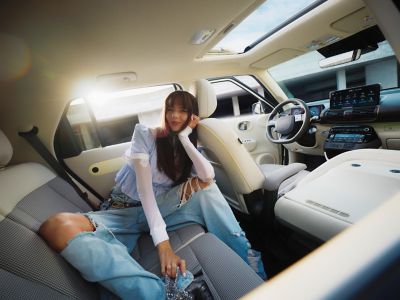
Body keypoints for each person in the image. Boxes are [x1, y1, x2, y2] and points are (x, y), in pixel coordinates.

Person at [39, 90, 266, 300]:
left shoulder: (187, 145)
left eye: (183, 110)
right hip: (123, 212)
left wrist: (186, 138)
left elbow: (207, 176)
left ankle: (252, 267)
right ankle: (159, 295)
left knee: (206, 189)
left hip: (160, 210)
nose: (175, 116)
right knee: (57, 225)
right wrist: (164, 246)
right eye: (170, 109)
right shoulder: (145, 135)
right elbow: (144, 192)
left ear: (192, 116)